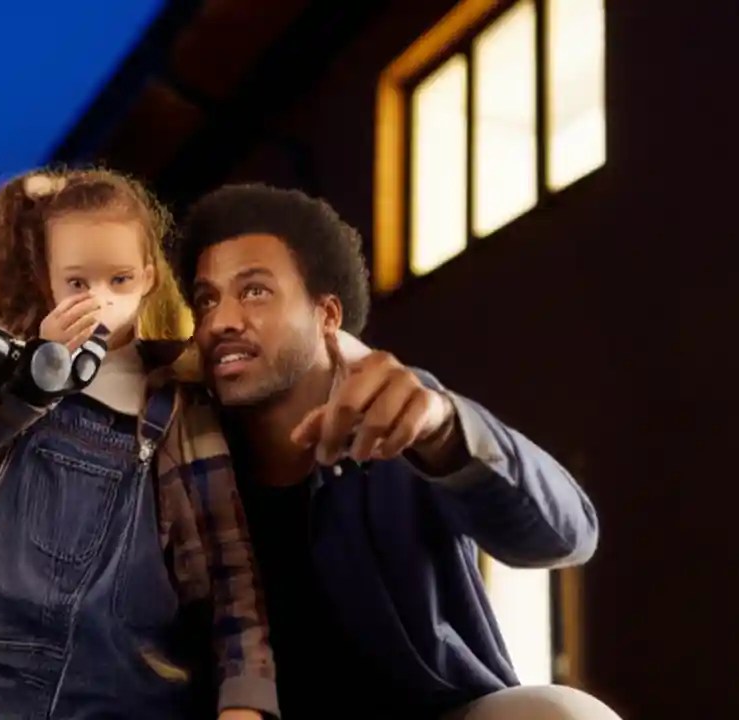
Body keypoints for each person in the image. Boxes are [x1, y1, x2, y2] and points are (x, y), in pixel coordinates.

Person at [170, 183, 622, 720]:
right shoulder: (184, 459)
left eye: (255, 291)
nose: (221, 321)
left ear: (328, 315)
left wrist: (446, 432)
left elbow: (568, 536)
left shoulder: (404, 416)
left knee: (559, 713)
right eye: (206, 299)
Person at [0, 169, 277, 720]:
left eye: (118, 280)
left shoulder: (184, 409)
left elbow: (232, 575)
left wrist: (246, 700)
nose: (99, 299)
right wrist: (30, 382)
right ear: (47, 281)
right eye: (77, 283)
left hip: (130, 691)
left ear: (147, 278)